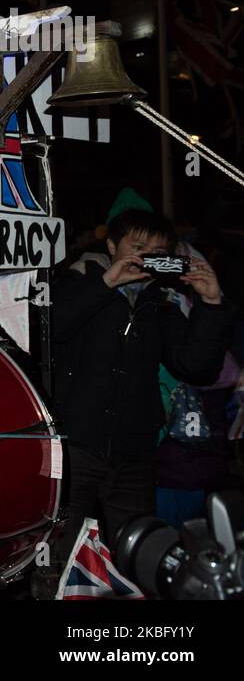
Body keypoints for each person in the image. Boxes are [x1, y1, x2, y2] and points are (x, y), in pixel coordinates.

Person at [52, 205, 233, 551]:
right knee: (61, 545)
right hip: (73, 445)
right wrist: (106, 283)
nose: (147, 257)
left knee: (136, 549)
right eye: (137, 247)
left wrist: (211, 303)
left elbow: (196, 366)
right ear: (112, 247)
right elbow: (50, 327)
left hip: (134, 452)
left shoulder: (162, 300)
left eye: (158, 252)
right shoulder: (79, 280)